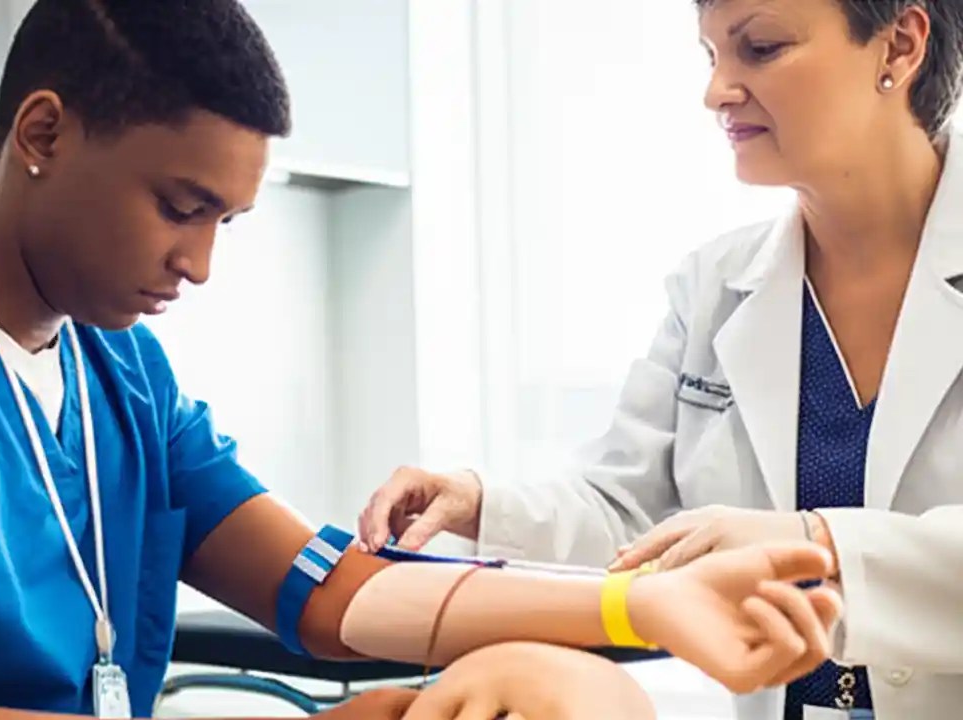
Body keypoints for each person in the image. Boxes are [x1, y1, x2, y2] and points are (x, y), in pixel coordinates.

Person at [0, 1, 842, 719]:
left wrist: (638, 605)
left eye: (224, 224)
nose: (196, 266)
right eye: (177, 207)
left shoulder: (114, 371)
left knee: (556, 701)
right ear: (41, 134)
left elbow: (333, 596)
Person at [358, 0, 963, 718]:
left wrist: (816, 539)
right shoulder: (715, 288)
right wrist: (480, 503)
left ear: (897, 46)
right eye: (712, 57)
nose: (717, 92)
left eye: (761, 48)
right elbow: (632, 518)